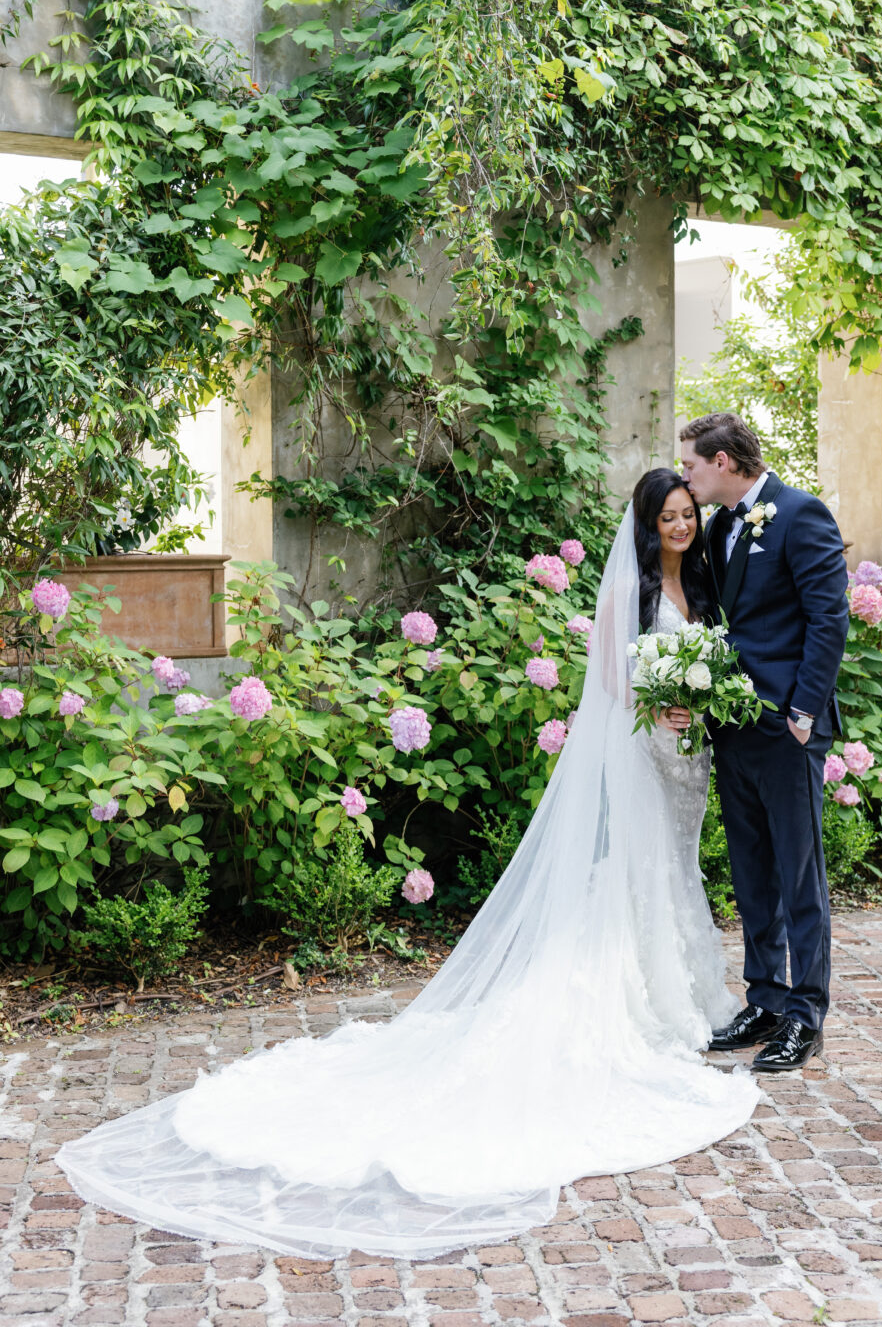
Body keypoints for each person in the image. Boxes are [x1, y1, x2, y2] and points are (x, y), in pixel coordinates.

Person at [56, 477, 758, 1262]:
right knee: (644, 872)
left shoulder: (700, 576)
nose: (682, 527)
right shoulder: (624, 591)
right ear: (645, 524)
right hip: (642, 749)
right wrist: (656, 701)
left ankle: (689, 988)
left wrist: (697, 699)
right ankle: (650, 1001)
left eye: (688, 515)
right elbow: (607, 681)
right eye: (668, 518)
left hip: (687, 755)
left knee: (677, 868)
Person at [678, 412, 849, 1073]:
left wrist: (803, 709)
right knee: (752, 872)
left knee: (799, 875)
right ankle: (766, 997)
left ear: (723, 462)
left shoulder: (801, 515)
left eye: (692, 464)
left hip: (788, 728)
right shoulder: (719, 526)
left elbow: (828, 618)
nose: (687, 476)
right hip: (734, 728)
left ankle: (805, 1014)